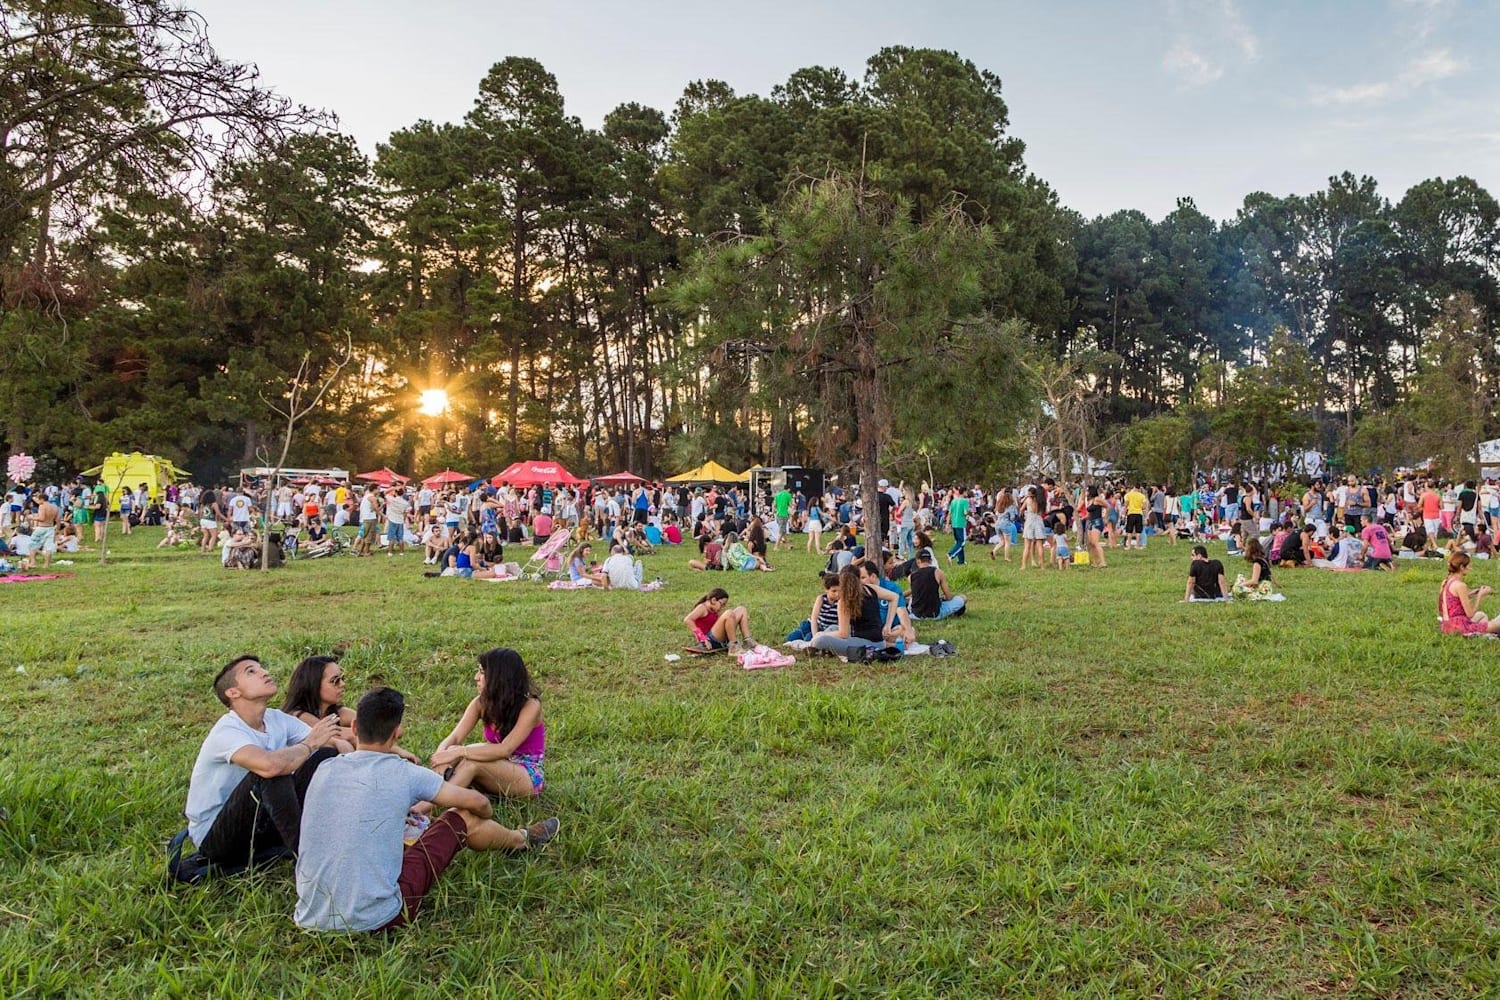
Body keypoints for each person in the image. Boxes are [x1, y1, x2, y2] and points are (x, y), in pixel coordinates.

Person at [295, 686, 558, 933]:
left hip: (309, 917)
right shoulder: (405, 773)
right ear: (397, 732)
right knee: (462, 817)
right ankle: (520, 840)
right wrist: (486, 812)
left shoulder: (324, 769)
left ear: (353, 727)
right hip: (379, 919)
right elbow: (478, 803)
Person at [183, 655, 340, 867]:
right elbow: (271, 766)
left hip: (260, 824)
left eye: (262, 668)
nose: (264, 672)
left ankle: (340, 830)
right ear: (233, 692)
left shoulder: (276, 718)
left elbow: (327, 743)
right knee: (272, 774)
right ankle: (309, 860)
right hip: (216, 836)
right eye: (251, 671)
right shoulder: (227, 731)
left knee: (324, 757)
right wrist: (309, 744)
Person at [431, 649, 557, 805]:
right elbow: (455, 737)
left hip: (527, 776)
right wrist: (441, 756)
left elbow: (505, 749)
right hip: (496, 766)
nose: (476, 677)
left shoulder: (530, 706)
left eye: (482, 672)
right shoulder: (480, 703)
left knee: (470, 761)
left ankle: (423, 809)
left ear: (499, 677)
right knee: (453, 751)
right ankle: (429, 798)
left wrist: (457, 752)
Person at [810, 563, 901, 659]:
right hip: (879, 640)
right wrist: (888, 625)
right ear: (859, 577)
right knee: (833, 628)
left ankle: (814, 645)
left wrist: (822, 634)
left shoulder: (844, 601)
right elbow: (894, 597)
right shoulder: (870, 589)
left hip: (866, 644)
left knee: (820, 641)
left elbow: (843, 634)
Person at [1438, 552, 1500, 635]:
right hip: (1460, 626)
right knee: (1497, 624)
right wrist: (1480, 596)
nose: (1470, 568)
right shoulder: (1460, 585)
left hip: (1447, 625)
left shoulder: (1446, 581)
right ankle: (1482, 632)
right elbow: (1470, 614)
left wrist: (1470, 595)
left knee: (1481, 615)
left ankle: (1482, 634)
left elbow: (1451, 601)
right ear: (1461, 567)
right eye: (1468, 565)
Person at [684, 587, 753, 651]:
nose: (722, 607)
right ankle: (734, 647)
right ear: (713, 600)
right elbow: (687, 620)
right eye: (722, 604)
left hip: (719, 638)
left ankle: (747, 641)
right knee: (728, 613)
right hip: (709, 640)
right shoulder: (702, 607)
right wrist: (702, 637)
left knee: (741, 609)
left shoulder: (713, 609)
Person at [908, 547, 966, 620]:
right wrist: (944, 598)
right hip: (934, 614)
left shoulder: (911, 577)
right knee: (963, 597)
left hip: (916, 615)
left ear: (918, 561)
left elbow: (917, 593)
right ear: (930, 560)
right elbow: (949, 597)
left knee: (911, 599)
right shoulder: (938, 572)